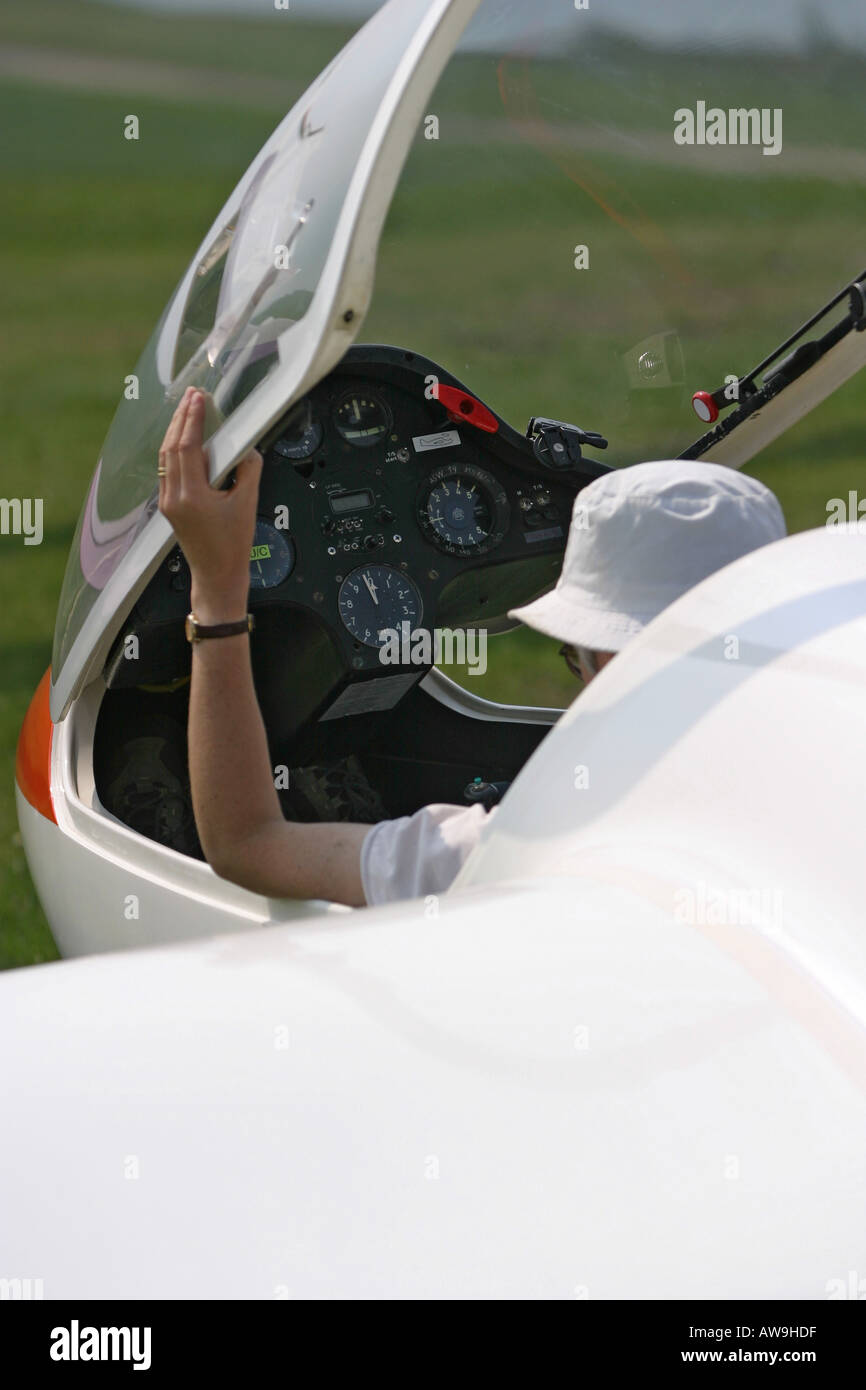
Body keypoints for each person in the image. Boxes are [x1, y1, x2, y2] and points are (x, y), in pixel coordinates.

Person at [158, 388, 786, 908]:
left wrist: (216, 589)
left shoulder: (512, 851)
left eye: (576, 655)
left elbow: (247, 844)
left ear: (612, 663)